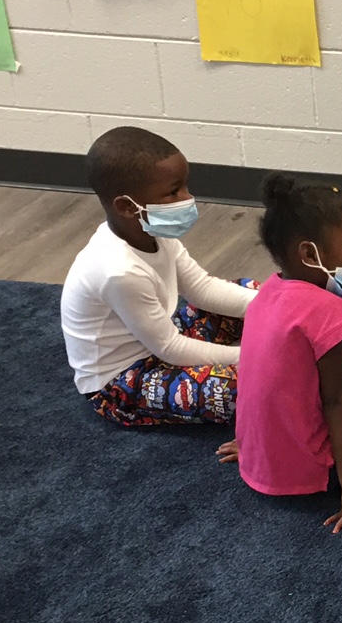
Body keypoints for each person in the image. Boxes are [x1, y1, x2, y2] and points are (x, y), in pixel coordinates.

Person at [59, 125, 253, 428]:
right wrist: (253, 355)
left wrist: (278, 306)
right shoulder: (119, 271)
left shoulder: (153, 231)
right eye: (174, 192)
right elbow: (171, 349)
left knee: (252, 293)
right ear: (126, 206)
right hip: (123, 383)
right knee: (253, 384)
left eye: (185, 187)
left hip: (159, 340)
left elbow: (202, 289)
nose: (188, 199)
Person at [220, 173, 342, 536]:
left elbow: (260, 375)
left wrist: (251, 443)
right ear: (308, 253)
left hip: (263, 459)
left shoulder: (268, 292)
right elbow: (335, 402)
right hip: (311, 469)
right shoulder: (324, 312)